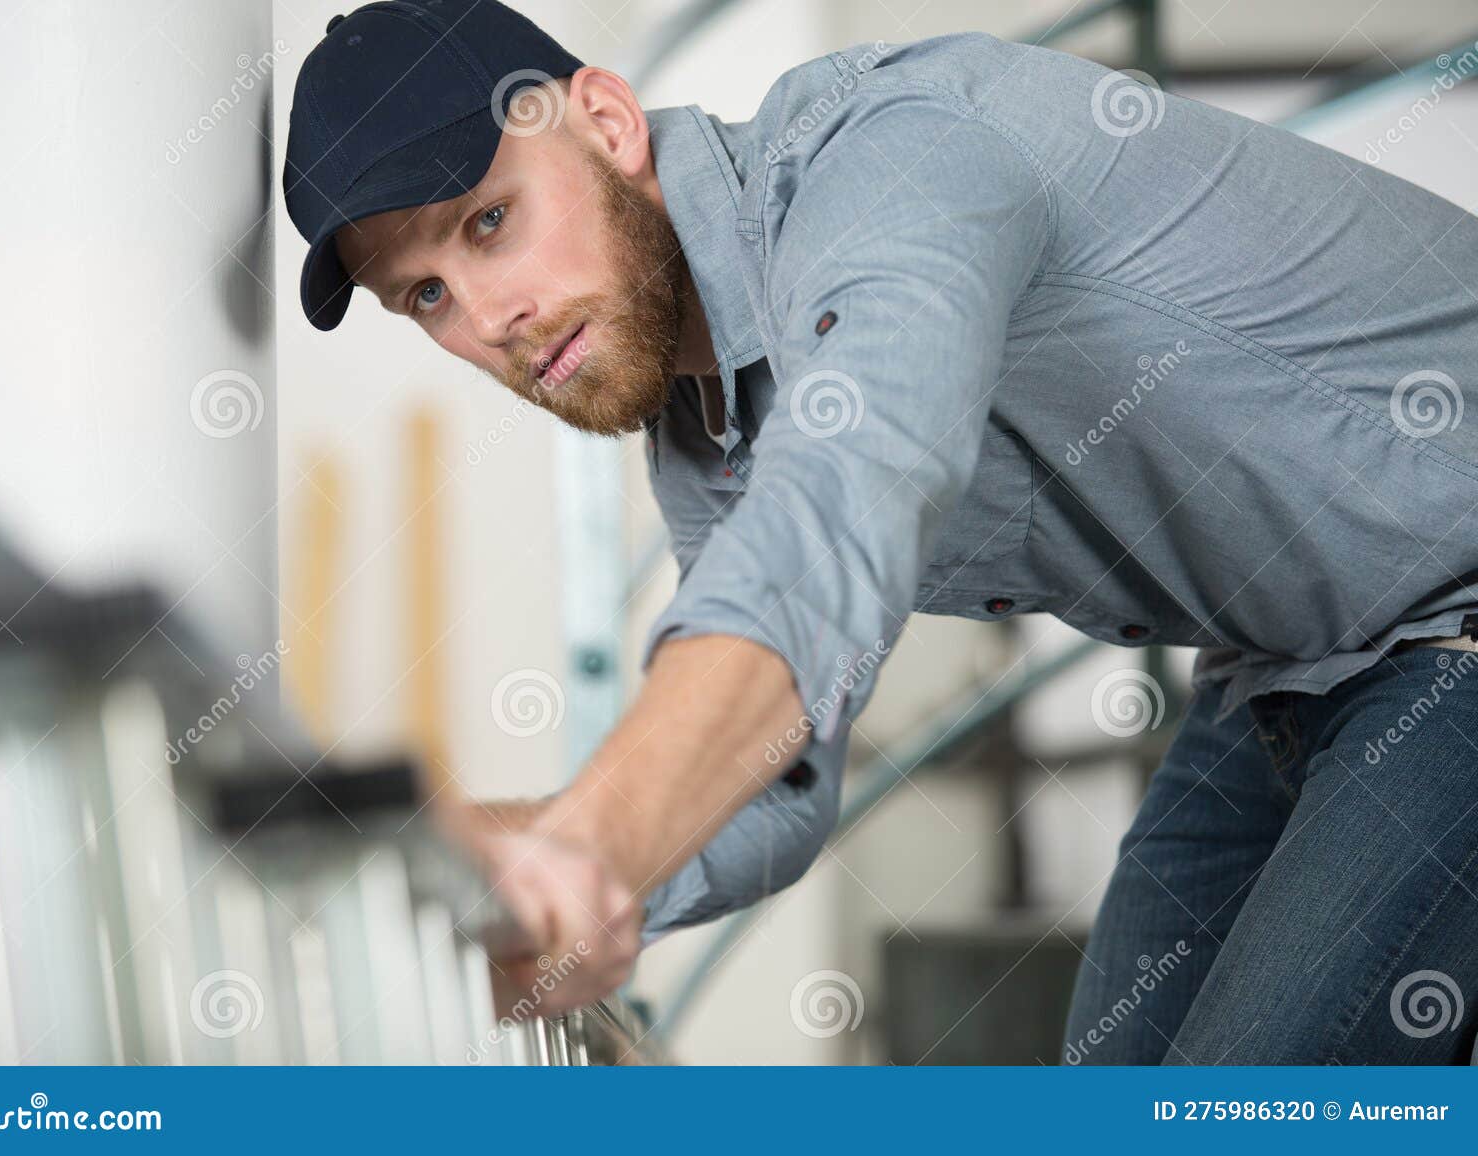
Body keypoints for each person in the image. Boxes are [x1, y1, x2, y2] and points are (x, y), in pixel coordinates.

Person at [283, 1, 1478, 1062]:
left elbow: (856, 480)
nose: (491, 316)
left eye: (489, 221)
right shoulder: (705, 429)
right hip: (1295, 660)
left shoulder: (899, 152)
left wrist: (593, 842)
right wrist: (496, 862)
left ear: (606, 120)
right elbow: (770, 779)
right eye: (425, 295)